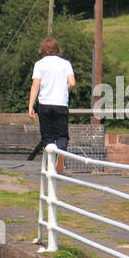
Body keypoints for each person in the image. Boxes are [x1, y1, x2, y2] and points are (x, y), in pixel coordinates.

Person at [28, 38, 77, 174]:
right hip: (61, 103)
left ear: (43, 49)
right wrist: (63, 89)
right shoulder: (65, 63)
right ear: (57, 49)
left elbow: (35, 85)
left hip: (44, 104)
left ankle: (50, 164)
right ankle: (60, 157)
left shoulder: (39, 64)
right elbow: (72, 82)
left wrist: (31, 105)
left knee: (47, 136)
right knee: (62, 135)